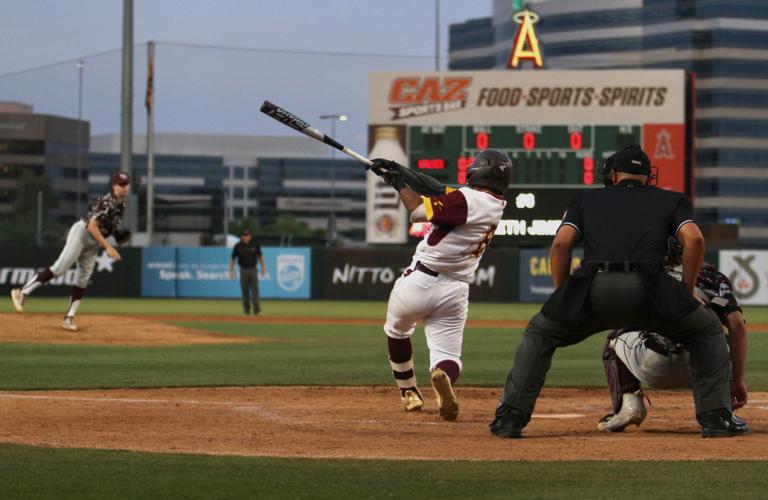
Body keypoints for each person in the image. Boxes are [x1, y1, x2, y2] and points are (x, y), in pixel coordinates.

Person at [489, 144, 748, 439]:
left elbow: (561, 244)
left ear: (613, 175)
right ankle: (716, 418)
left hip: (594, 287)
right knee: (708, 331)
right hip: (651, 289)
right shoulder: (672, 200)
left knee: (540, 333)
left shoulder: (583, 199)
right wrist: (686, 291)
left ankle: (510, 418)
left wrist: (565, 295)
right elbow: (695, 240)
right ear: (648, 177)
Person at [369, 149, 509, 421]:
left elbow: (417, 212)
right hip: (455, 291)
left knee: (397, 332)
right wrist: (400, 170)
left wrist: (398, 184)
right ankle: (442, 374)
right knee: (449, 356)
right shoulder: (496, 204)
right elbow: (437, 189)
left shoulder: (468, 199)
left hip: (419, 281)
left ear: (478, 171)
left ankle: (409, 392)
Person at [597, 246, 748, 432]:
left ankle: (629, 406)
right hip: (707, 367)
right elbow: (737, 325)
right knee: (722, 342)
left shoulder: (644, 275)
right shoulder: (713, 278)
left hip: (653, 364)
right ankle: (720, 412)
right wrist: (738, 381)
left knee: (614, 339)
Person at [10, 170, 132, 331]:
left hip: (93, 243)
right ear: (114, 186)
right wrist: (107, 246)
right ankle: (22, 293)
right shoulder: (107, 201)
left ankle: (69, 319)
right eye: (121, 184)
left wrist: (116, 234)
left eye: (126, 184)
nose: (124, 187)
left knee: (83, 279)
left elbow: (109, 224)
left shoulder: (121, 205)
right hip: (82, 233)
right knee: (60, 268)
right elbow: (92, 226)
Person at [229, 229, 267, 316]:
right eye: (244, 235)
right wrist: (231, 270)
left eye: (247, 235)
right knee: (245, 291)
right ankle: (246, 311)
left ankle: (257, 311)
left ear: (250, 236)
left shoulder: (255, 244)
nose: (246, 237)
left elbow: (260, 256)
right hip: (243, 270)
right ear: (242, 237)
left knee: (255, 291)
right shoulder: (238, 246)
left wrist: (263, 267)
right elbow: (232, 258)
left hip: (253, 269)